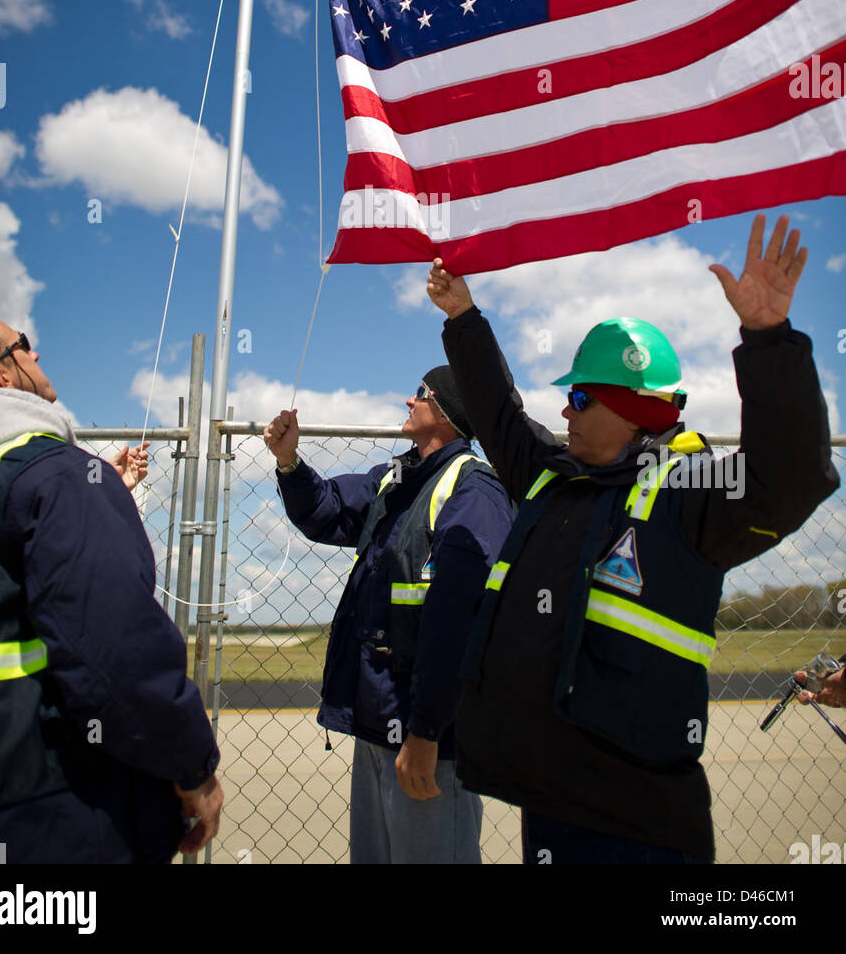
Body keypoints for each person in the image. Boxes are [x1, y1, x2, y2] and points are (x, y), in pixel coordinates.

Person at [426, 214, 840, 864]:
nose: (564, 409)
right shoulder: (554, 477)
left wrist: (767, 339)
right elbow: (499, 415)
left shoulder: (685, 493)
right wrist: (462, 317)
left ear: (636, 409)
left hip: (641, 824)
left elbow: (789, 478)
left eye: (582, 396)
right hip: (551, 803)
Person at [0, 315, 223, 863]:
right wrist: (192, 767)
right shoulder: (52, 475)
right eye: (24, 346)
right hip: (51, 812)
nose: (38, 356)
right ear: (0, 373)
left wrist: (99, 489)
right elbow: (118, 651)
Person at [263, 367, 513, 864]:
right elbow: (327, 510)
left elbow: (459, 626)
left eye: (421, 394)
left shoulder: (474, 493)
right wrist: (289, 463)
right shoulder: (397, 479)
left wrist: (426, 732)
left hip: (429, 740)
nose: (408, 400)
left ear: (446, 411)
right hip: (378, 726)